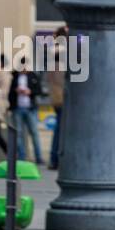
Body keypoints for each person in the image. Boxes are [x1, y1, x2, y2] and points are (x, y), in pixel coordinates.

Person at [9, 58, 42, 165]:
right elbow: (9, 92)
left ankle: (38, 157)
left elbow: (39, 90)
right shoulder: (14, 76)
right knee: (18, 133)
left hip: (30, 108)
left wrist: (30, 91)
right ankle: (21, 157)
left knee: (34, 133)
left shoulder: (33, 76)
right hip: (17, 108)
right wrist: (16, 91)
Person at [46, 26, 68, 170]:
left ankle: (55, 158)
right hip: (62, 97)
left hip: (56, 97)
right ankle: (56, 159)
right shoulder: (62, 53)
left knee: (60, 128)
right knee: (61, 129)